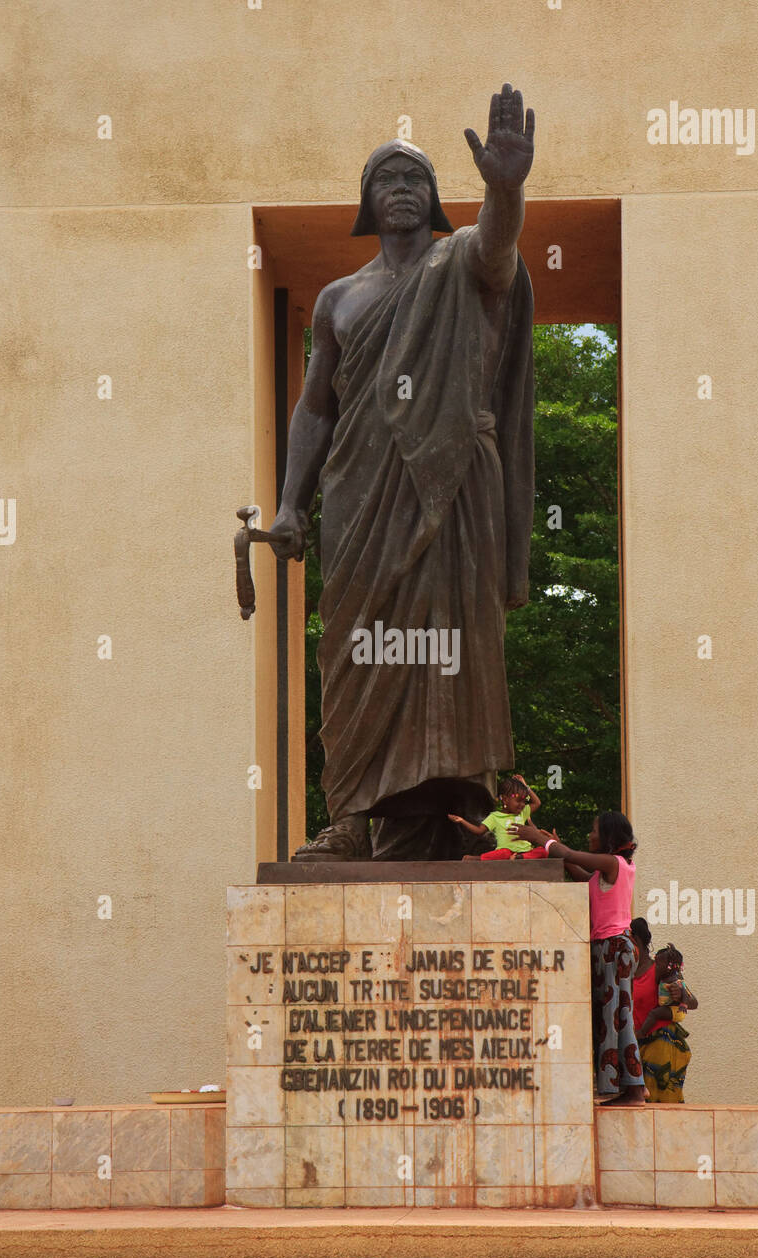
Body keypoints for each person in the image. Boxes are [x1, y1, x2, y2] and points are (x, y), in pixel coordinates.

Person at [264, 87, 536, 860]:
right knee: (353, 646)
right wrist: (292, 503)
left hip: (450, 488)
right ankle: (354, 815)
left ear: (437, 201)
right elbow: (315, 407)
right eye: (388, 180)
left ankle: (460, 811)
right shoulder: (339, 300)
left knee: (454, 637)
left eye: (415, 179)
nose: (403, 190)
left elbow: (499, 247)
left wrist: (504, 189)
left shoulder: (466, 265)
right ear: (367, 204)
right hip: (360, 493)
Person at [518, 812, 646, 1104]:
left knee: (617, 1016)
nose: (590, 835)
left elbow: (570, 854)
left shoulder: (614, 863)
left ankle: (635, 1088)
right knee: (612, 1016)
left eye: (594, 830)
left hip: (615, 947)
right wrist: (556, 848)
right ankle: (630, 1086)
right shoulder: (605, 872)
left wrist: (544, 841)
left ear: (610, 838)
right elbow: (580, 873)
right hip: (607, 948)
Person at [636, 942, 698, 1104]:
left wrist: (680, 998)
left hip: (662, 1044)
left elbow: (693, 1002)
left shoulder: (660, 973)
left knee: (662, 1103)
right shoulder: (623, 971)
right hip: (637, 1047)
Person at [448, 774, 545, 859]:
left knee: (544, 850)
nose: (522, 804)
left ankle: (520, 857)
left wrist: (525, 786)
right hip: (506, 853)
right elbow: (479, 831)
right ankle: (476, 858)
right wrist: (461, 821)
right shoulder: (495, 817)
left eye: (524, 801)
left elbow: (537, 802)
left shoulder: (522, 813)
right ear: (505, 799)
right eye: (518, 801)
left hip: (526, 851)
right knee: (502, 854)